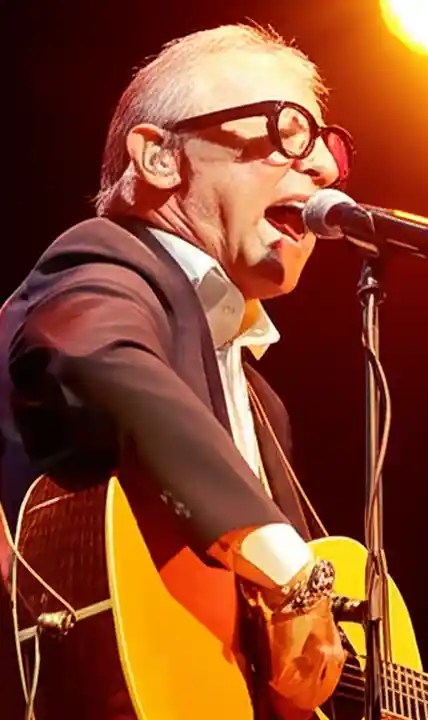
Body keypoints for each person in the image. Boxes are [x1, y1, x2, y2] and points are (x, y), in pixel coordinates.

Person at [0, 24, 355, 719]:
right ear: (160, 157)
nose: (322, 168)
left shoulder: (262, 406)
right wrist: (292, 571)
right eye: (288, 130)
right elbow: (96, 358)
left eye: (328, 147)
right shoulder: (105, 263)